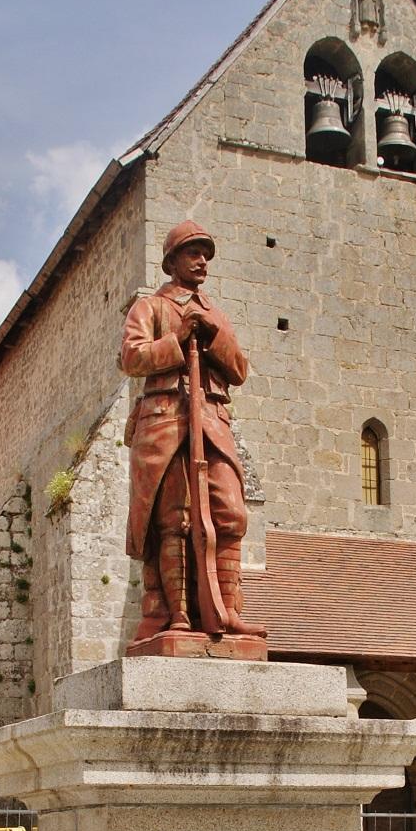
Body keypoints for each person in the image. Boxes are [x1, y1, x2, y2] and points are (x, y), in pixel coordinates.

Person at [120, 220, 265, 642]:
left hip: (213, 420)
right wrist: (177, 340)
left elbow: (238, 370)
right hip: (166, 418)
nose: (201, 261)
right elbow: (131, 357)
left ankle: (228, 610)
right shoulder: (151, 308)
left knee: (230, 514)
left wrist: (213, 333)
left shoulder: (215, 314)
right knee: (174, 519)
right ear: (172, 262)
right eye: (192, 253)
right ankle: (177, 614)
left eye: (205, 255)